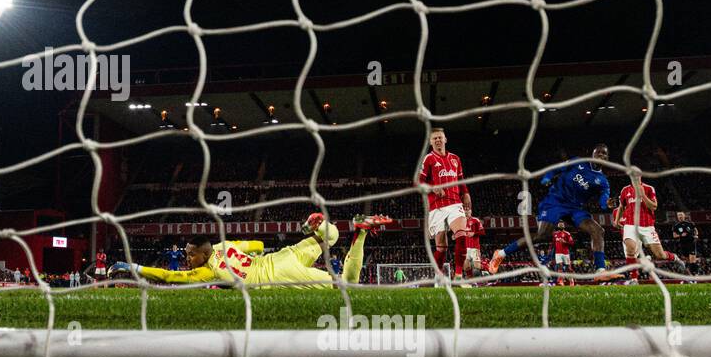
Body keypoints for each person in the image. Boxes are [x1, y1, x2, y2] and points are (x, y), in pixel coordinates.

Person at [111, 213, 392, 287]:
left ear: (203, 253)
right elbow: (257, 246)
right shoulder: (225, 245)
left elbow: (169, 277)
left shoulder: (209, 270)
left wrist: (133, 267)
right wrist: (253, 259)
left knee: (348, 285)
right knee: (330, 237)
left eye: (189, 254)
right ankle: (312, 227)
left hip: (279, 276)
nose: (187, 259)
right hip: (282, 256)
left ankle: (362, 232)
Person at [489, 144, 616, 276]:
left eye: (604, 154)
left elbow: (603, 202)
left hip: (574, 209)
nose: (601, 155)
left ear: (607, 158)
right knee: (541, 235)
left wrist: (607, 203)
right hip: (555, 202)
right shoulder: (578, 162)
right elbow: (557, 169)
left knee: (598, 230)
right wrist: (547, 177)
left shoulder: (603, 182)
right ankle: (501, 253)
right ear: (593, 155)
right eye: (598, 153)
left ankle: (600, 271)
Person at [419, 128, 471, 278]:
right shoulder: (429, 159)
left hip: (455, 203)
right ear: (430, 142)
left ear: (445, 139)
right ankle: (438, 277)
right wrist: (433, 188)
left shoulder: (455, 159)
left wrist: (466, 193)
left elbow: (461, 180)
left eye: (440, 137)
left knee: (461, 235)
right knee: (442, 247)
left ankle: (459, 275)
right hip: (436, 207)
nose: (438, 140)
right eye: (434, 138)